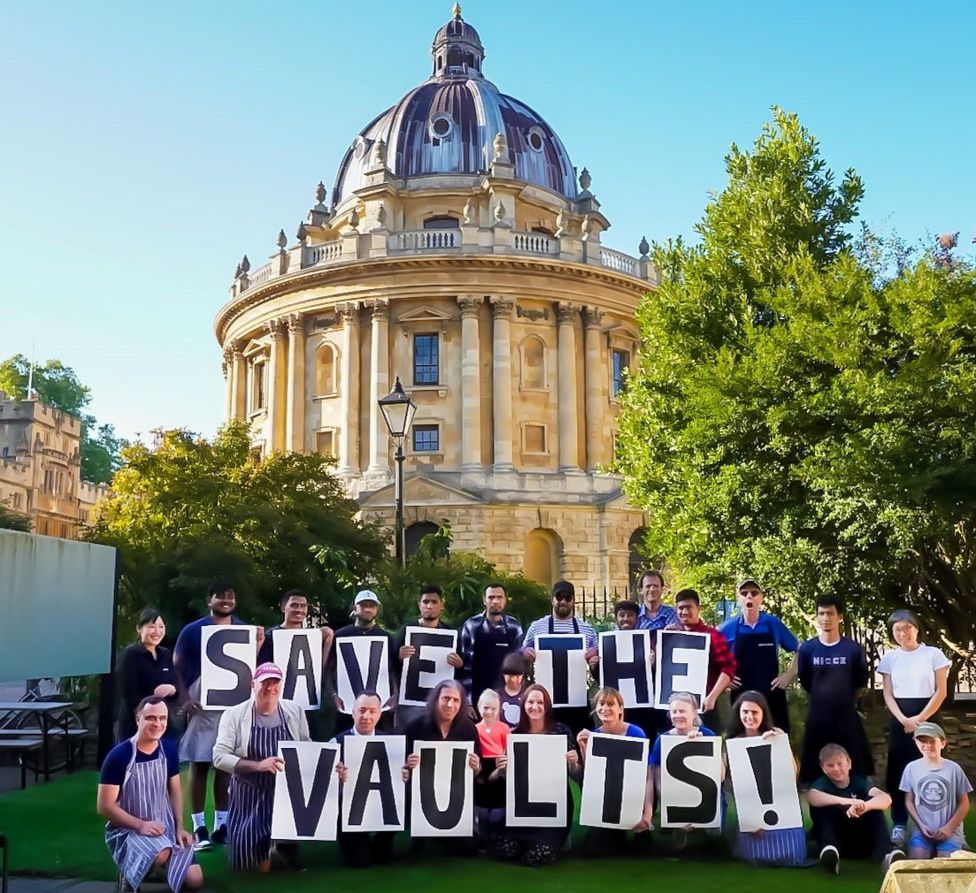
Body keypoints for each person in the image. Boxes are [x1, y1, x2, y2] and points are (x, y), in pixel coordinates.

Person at [173, 580, 257, 850]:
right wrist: (184, 698)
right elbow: (176, 665)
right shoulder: (192, 630)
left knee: (226, 765)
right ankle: (199, 827)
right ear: (209, 600)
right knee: (199, 764)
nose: (225, 600)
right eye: (220, 596)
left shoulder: (245, 629)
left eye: (230, 596)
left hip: (233, 706)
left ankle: (223, 824)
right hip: (203, 704)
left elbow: (252, 668)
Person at [97, 696, 203, 893]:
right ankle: (128, 873)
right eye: (151, 718)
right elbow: (104, 806)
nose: (158, 723)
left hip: (164, 826)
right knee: (160, 853)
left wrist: (180, 827)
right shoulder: (119, 756)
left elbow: (176, 790)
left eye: (162, 718)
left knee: (195, 880)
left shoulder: (169, 750)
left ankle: (149, 867)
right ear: (138, 719)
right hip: (129, 829)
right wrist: (141, 825)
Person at [212, 662, 310, 872]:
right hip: (248, 792)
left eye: (275, 683)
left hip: (284, 792)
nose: (270, 688)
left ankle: (282, 844)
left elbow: (306, 748)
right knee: (251, 868)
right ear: (253, 685)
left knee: (279, 857)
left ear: (281, 685)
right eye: (265, 683)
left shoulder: (294, 711)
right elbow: (219, 758)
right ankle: (266, 849)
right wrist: (258, 765)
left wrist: (329, 765)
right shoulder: (234, 715)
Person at [878, 609, 950, 845]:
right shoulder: (889, 658)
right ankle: (899, 822)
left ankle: (940, 824)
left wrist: (920, 719)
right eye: (897, 629)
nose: (902, 633)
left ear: (916, 628)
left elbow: (941, 691)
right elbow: (888, 694)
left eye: (907, 627)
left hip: (928, 715)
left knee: (933, 767)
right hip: (901, 720)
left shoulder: (933, 654)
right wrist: (904, 719)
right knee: (900, 769)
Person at [493, 684, 582, 866]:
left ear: (547, 706)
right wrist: (501, 769)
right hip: (523, 807)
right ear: (524, 705)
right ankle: (528, 844)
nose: (535, 707)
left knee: (541, 855)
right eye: (531, 702)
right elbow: (506, 778)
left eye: (540, 702)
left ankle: (546, 843)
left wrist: (573, 763)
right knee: (503, 848)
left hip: (553, 807)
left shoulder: (561, 731)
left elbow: (577, 776)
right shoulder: (515, 734)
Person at [724, 691, 808, 866]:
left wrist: (781, 743)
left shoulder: (776, 734)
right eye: (745, 712)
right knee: (753, 848)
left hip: (780, 801)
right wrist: (749, 817)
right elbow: (730, 783)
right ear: (738, 714)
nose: (749, 717)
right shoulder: (732, 742)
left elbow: (792, 775)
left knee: (792, 853)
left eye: (755, 712)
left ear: (763, 714)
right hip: (749, 803)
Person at [797, 595, 873, 784]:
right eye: (821, 613)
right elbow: (805, 679)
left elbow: (860, 679)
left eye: (830, 613)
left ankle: (856, 799)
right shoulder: (808, 649)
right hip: (818, 715)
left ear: (839, 617)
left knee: (855, 766)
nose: (825, 618)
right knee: (815, 767)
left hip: (846, 715)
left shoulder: (853, 649)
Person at [332, 691, 407, 868]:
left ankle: (380, 839)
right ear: (353, 712)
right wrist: (337, 779)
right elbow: (325, 791)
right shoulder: (335, 743)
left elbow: (398, 783)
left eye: (372, 711)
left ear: (380, 714)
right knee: (360, 862)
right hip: (349, 814)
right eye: (362, 710)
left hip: (381, 810)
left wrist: (404, 776)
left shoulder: (392, 744)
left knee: (383, 859)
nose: (366, 716)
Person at [576, 687, 654, 856]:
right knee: (596, 850)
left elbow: (647, 777)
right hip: (608, 799)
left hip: (635, 798)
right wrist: (583, 747)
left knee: (643, 851)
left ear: (620, 708)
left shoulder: (635, 733)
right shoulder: (595, 735)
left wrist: (647, 816)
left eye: (611, 704)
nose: (605, 708)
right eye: (601, 704)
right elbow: (593, 779)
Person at [719, 578, 799, 734]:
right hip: (741, 698)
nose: (749, 596)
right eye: (744, 593)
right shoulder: (727, 628)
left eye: (754, 593)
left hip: (772, 695)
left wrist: (789, 674)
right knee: (740, 741)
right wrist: (724, 679)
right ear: (739, 599)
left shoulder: (773, 624)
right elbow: (709, 657)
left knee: (777, 740)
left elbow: (800, 649)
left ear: (761, 598)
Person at [807, 743, 901, 875]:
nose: (836, 769)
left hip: (862, 839)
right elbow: (812, 796)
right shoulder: (822, 783)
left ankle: (886, 854)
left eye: (840, 764)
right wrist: (848, 802)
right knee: (824, 809)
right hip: (837, 839)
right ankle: (830, 853)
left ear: (849, 763)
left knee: (875, 807)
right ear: (823, 768)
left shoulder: (860, 782)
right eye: (830, 765)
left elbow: (885, 798)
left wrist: (864, 806)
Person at [256, 588, 334, 741]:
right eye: (294, 605)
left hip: (307, 704)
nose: (299, 609)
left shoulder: (313, 637)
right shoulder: (270, 636)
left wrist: (328, 641)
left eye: (303, 606)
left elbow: (319, 669)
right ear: (283, 607)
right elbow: (261, 669)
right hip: (279, 703)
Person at [522, 580, 599, 734]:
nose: (563, 601)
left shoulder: (587, 630)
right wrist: (525, 654)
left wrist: (594, 660)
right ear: (552, 600)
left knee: (581, 740)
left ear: (574, 601)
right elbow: (522, 653)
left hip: (577, 699)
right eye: (559, 597)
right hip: (546, 699)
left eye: (568, 597)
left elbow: (597, 663)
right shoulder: (537, 627)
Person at [392, 584, 463, 732]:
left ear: (441, 606)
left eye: (434, 602)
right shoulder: (406, 631)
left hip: (439, 702)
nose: (429, 606)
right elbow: (389, 665)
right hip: (409, 700)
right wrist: (399, 656)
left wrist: (459, 663)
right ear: (419, 605)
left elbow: (462, 668)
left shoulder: (452, 633)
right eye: (425, 602)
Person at [327, 590, 396, 735]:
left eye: (372, 605)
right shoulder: (340, 635)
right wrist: (333, 696)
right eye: (363, 605)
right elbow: (329, 670)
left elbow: (392, 670)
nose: (368, 609)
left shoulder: (386, 637)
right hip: (347, 706)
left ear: (377, 609)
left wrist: (395, 694)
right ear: (355, 608)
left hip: (379, 708)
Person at [666, 589, 736, 731]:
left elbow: (728, 668)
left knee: (708, 749)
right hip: (676, 709)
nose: (684, 612)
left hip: (705, 706)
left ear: (699, 608)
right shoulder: (669, 635)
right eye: (681, 608)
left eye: (689, 607)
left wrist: (712, 696)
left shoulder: (713, 635)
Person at [899, 722, 971, 860]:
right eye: (922, 742)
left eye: (932, 741)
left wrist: (949, 828)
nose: (927, 746)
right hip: (921, 830)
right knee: (917, 865)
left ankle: (959, 845)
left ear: (943, 743)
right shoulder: (911, 768)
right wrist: (921, 825)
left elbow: (964, 803)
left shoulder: (953, 769)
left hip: (950, 830)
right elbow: (909, 801)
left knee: (945, 868)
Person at [601, 598, 663, 740]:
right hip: (617, 703)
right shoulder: (608, 642)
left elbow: (656, 675)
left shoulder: (647, 641)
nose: (626, 619)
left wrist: (653, 663)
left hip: (643, 704)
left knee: (646, 739)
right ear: (616, 618)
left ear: (637, 618)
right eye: (622, 615)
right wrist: (594, 665)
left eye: (630, 615)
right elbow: (602, 675)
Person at [647, 691, 719, 809]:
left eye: (682, 711)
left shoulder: (708, 735)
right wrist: (669, 807)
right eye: (674, 712)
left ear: (694, 714)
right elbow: (658, 780)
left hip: (706, 801)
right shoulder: (662, 740)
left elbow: (720, 776)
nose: (677, 715)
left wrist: (703, 744)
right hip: (675, 800)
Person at [116, 609, 178, 741]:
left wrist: (172, 689)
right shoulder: (130, 655)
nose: (157, 631)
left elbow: (175, 682)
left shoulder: (165, 654)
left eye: (161, 627)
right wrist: (142, 716)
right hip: (136, 723)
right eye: (151, 627)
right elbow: (128, 692)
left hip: (162, 721)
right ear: (139, 629)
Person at [459, 583, 524, 707]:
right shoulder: (471, 626)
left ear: (505, 600)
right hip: (477, 697)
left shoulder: (514, 626)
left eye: (499, 597)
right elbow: (465, 668)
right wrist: (467, 703)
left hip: (507, 698)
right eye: (491, 597)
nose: (495, 601)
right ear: (484, 600)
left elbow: (518, 668)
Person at [474, 689, 509, 843]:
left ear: (498, 709)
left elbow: (507, 749)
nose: (489, 712)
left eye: (493, 708)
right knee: (481, 806)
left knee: (497, 807)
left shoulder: (504, 728)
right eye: (485, 707)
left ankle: (496, 835)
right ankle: (481, 837)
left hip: (498, 766)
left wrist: (500, 769)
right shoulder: (475, 729)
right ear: (479, 707)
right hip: (481, 766)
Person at [497, 652, 526, 729]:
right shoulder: (496, 695)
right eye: (510, 676)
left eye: (517, 676)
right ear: (503, 675)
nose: (513, 679)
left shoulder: (527, 694)